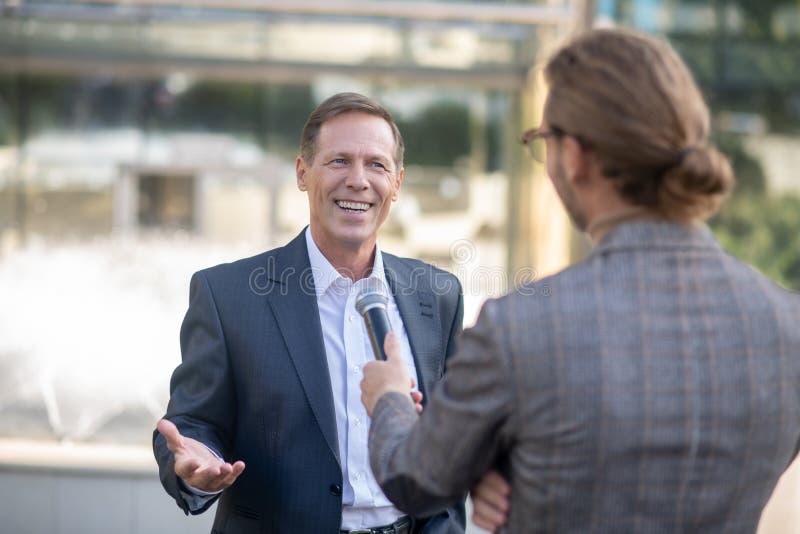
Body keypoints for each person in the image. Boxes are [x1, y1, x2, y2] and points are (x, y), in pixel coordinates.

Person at [360, 28, 800, 533]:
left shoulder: (519, 328)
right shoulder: (788, 325)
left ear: (574, 155)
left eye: (541, 141)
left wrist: (389, 396)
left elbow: (413, 479)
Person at [153, 92, 469, 533]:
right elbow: (192, 425)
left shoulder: (438, 295)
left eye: (376, 165)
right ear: (303, 173)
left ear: (397, 182)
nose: (358, 181)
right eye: (339, 160)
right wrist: (196, 470)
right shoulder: (228, 295)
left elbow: (449, 443)